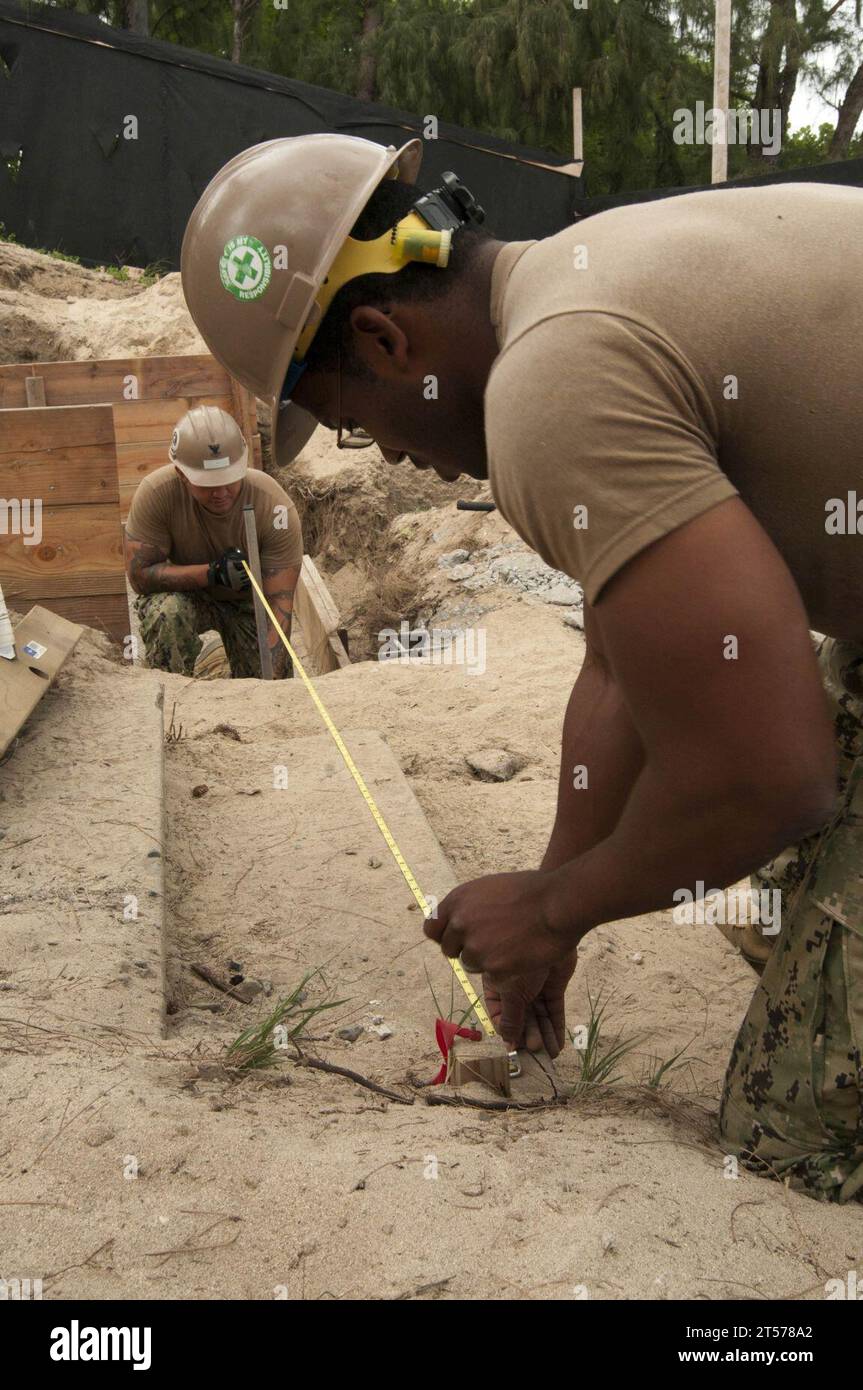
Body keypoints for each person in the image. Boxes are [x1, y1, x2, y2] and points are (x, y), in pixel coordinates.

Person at [180, 134, 863, 1201]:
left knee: (791, 1136)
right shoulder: (578, 280)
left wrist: (555, 908)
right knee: (771, 901)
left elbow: (771, 774)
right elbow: (616, 671)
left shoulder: (552, 387)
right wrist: (554, 900)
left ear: (382, 336)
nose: (392, 457)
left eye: (356, 425)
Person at [124, 404, 302, 679]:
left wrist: (273, 685)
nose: (221, 492)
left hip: (248, 603)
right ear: (182, 474)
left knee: (266, 677)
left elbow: (278, 604)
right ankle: (174, 697)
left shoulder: (274, 507)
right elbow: (140, 577)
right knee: (166, 613)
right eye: (207, 484)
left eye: (230, 480)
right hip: (187, 597)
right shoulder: (156, 494)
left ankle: (216, 658)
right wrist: (212, 573)